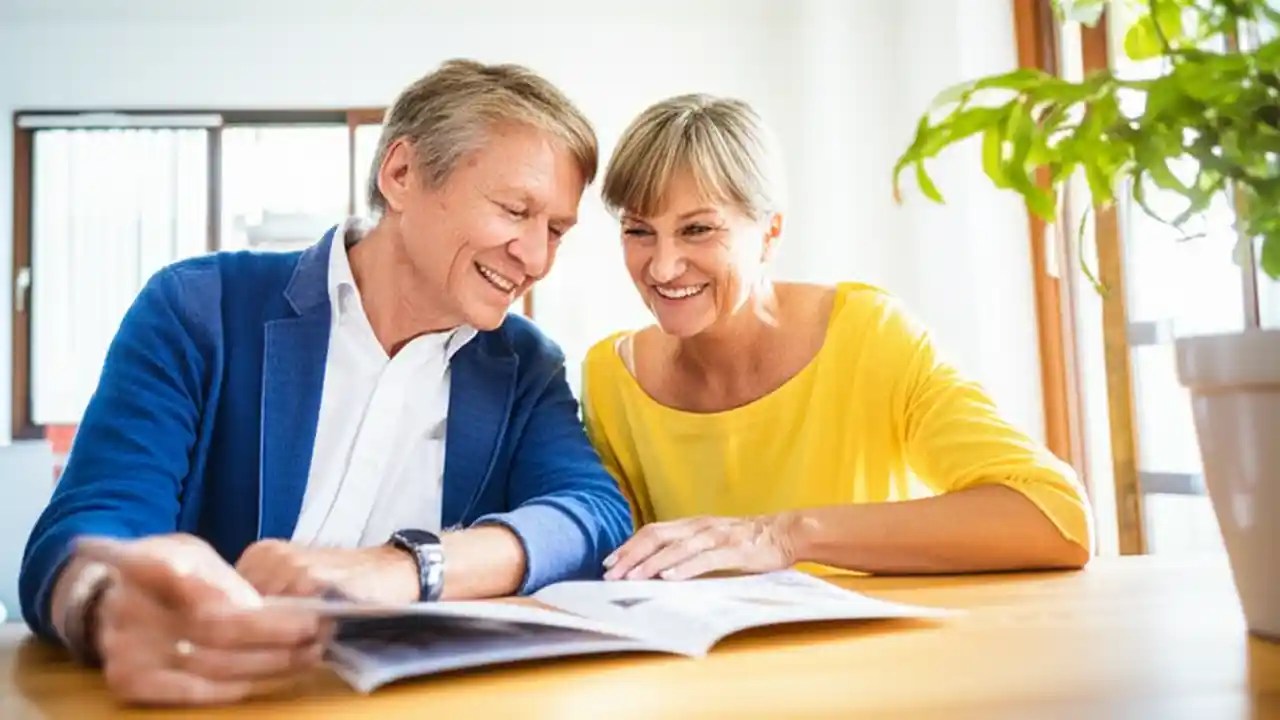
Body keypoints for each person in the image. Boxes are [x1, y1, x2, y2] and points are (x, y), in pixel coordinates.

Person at [19, 59, 632, 706]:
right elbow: (87, 533)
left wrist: (404, 567)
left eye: (557, 231)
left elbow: (594, 517)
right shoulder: (197, 310)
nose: (536, 259)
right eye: (515, 210)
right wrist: (106, 608)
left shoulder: (527, 366)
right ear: (402, 174)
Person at [581, 94, 1092, 583]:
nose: (663, 267)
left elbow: (1056, 517)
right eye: (639, 231)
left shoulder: (870, 337)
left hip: (868, 666)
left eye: (697, 230)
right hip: (710, 671)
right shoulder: (611, 377)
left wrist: (785, 536)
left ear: (771, 233)